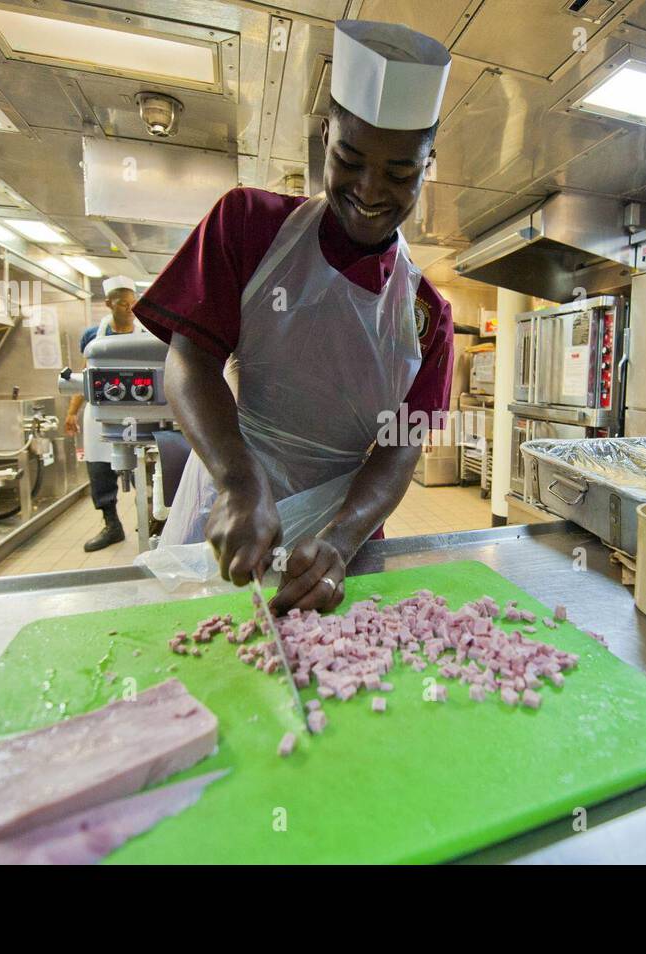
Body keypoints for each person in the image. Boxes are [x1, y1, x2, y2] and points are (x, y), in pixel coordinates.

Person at [133, 20, 454, 615]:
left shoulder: (426, 315)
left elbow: (400, 447)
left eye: (400, 173)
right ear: (326, 135)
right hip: (234, 509)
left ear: (428, 163)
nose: (369, 189)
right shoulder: (248, 225)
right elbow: (190, 360)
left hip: (337, 541)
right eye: (349, 159)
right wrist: (238, 478)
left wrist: (341, 537)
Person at [66, 275, 151, 551]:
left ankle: (151, 521)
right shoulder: (93, 336)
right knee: (100, 469)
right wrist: (72, 413)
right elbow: (86, 377)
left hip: (141, 411)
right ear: (108, 303)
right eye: (122, 303)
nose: (129, 308)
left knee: (146, 471)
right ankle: (112, 524)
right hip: (102, 410)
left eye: (132, 302)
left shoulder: (147, 332)